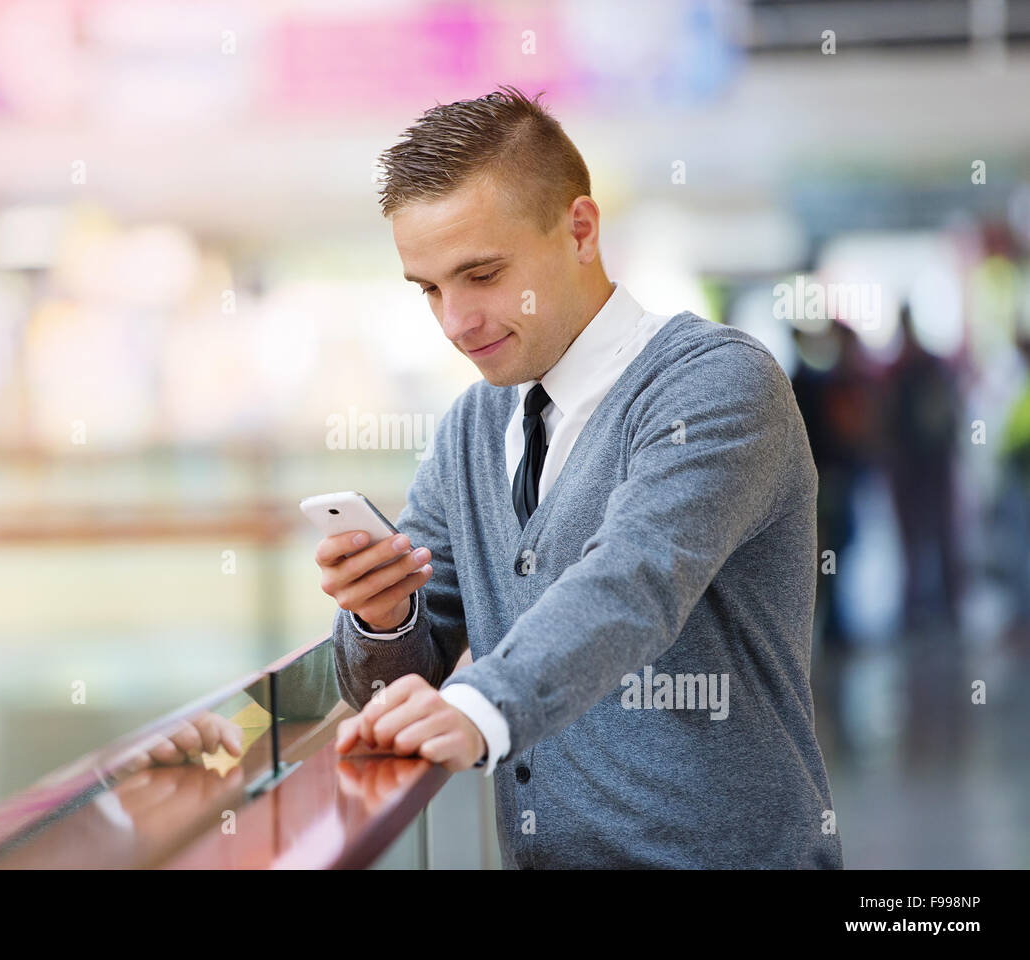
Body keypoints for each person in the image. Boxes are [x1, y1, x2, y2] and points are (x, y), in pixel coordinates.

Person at [314, 86, 842, 868]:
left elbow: (635, 581)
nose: (455, 320)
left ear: (581, 230)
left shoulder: (719, 384)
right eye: (429, 288)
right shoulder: (473, 425)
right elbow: (403, 681)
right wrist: (386, 617)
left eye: (483, 274)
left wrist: (483, 704)